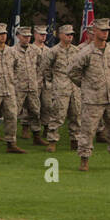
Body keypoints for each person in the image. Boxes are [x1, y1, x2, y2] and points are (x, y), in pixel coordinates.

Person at [68, 18, 110, 171]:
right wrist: (86, 86)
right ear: (95, 32)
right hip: (93, 99)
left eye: (107, 31)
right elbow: (72, 72)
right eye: (103, 30)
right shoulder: (86, 52)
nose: (106, 33)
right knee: (88, 130)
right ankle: (84, 161)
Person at [42, 24, 81, 152]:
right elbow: (46, 68)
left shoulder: (76, 51)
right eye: (67, 34)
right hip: (60, 87)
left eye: (71, 35)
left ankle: (75, 140)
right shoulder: (53, 51)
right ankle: (52, 140)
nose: (70, 37)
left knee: (76, 115)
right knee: (57, 115)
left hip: (74, 87)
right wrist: (53, 82)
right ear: (60, 35)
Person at [0, 22, 24, 154]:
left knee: (12, 116)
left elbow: (18, 68)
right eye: (0, 34)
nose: (3, 36)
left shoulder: (11, 51)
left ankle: (11, 143)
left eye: (5, 33)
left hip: (9, 89)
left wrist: (14, 82)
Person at [14, 27, 42, 143]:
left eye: (29, 36)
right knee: (14, 113)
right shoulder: (12, 51)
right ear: (18, 36)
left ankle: (37, 136)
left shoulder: (35, 50)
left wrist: (36, 80)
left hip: (32, 86)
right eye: (24, 36)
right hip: (19, 87)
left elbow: (41, 66)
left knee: (35, 111)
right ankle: (11, 139)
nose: (27, 38)